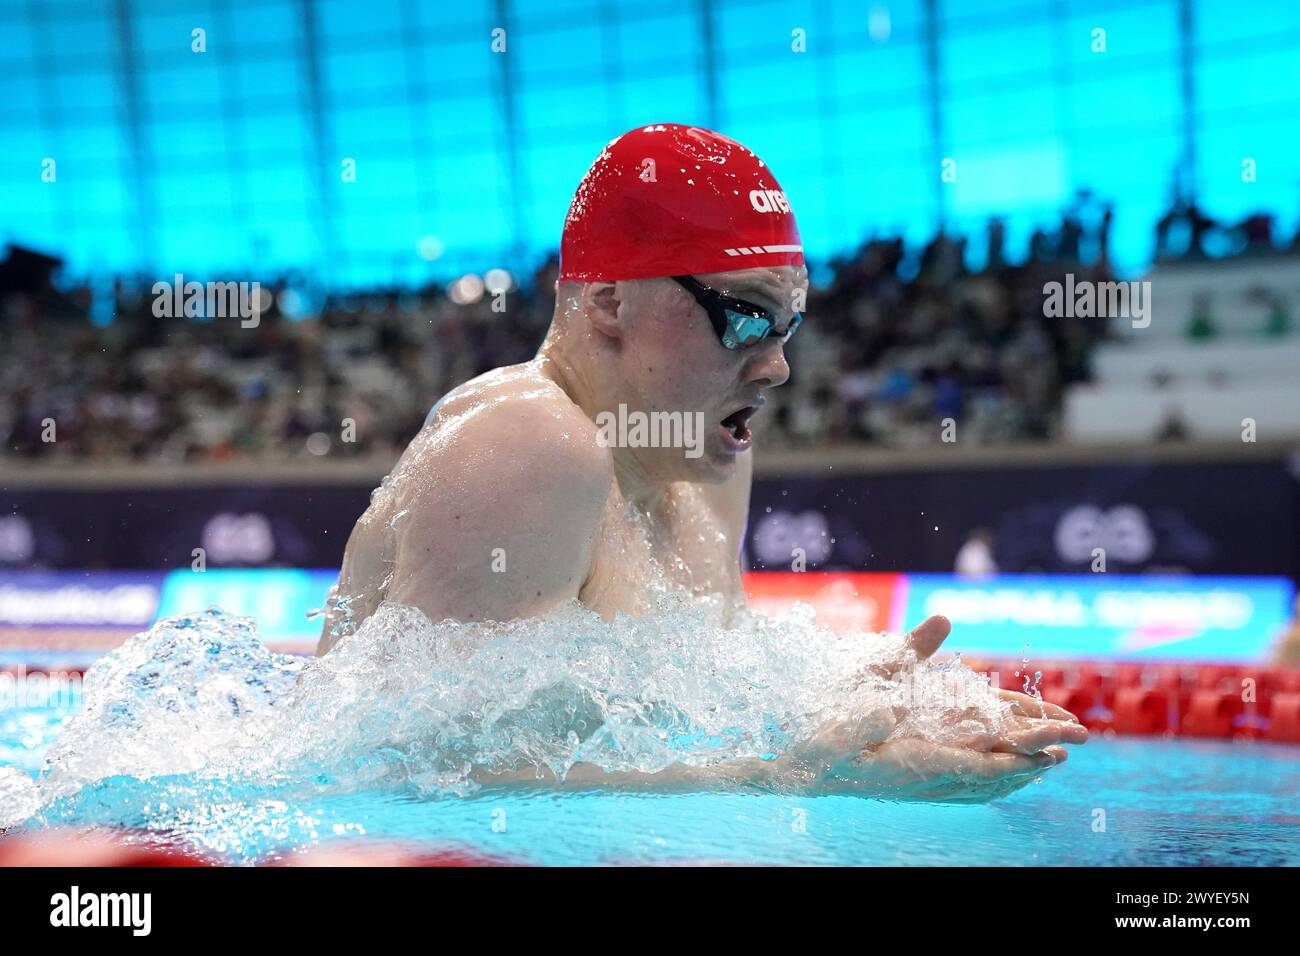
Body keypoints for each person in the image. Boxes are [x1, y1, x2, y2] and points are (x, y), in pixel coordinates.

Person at [318, 123, 1086, 800]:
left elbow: (686, 715)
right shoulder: (529, 445)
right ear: (611, 302)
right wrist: (788, 776)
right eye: (747, 317)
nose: (779, 366)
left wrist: (857, 715)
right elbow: (416, 774)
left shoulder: (702, 464)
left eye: (789, 325)